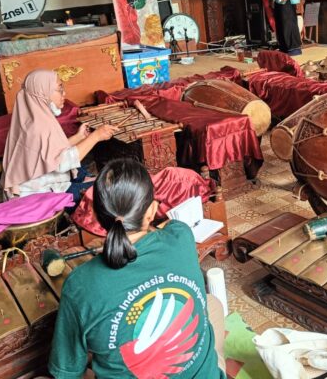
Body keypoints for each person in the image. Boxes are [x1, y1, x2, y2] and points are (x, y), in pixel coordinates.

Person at [49, 158, 225, 379]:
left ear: (97, 219)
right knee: (213, 306)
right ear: (151, 211)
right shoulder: (181, 236)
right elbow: (169, 226)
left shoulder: (79, 285)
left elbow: (67, 373)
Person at [1, 69, 116, 200]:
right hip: (37, 198)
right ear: (42, 92)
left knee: (81, 171)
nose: (64, 94)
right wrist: (96, 136)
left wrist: (79, 137)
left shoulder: (33, 118)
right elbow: (61, 163)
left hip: (41, 186)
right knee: (110, 187)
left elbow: (48, 155)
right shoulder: (38, 126)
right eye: (59, 89)